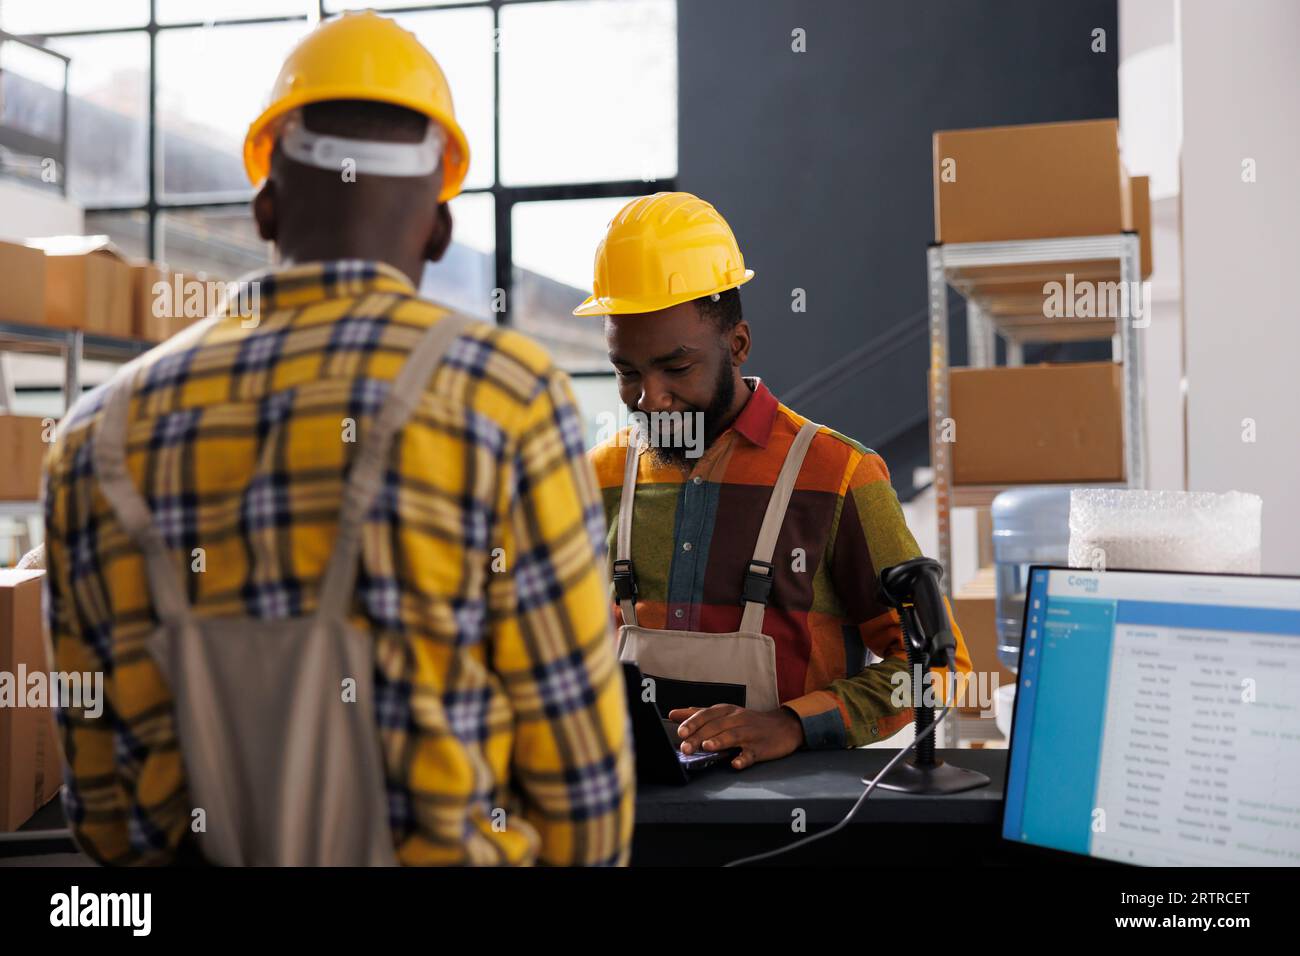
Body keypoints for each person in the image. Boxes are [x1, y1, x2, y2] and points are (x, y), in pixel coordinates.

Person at [43, 11, 632, 866]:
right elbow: (583, 805)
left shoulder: (96, 438)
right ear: (436, 229)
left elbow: (100, 814)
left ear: (266, 205)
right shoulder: (505, 398)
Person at [577, 191, 973, 769]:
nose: (650, 398)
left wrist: (794, 723)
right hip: (636, 817)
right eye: (627, 372)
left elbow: (940, 671)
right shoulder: (598, 477)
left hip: (793, 822)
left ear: (737, 345)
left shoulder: (839, 476)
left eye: (676, 367)